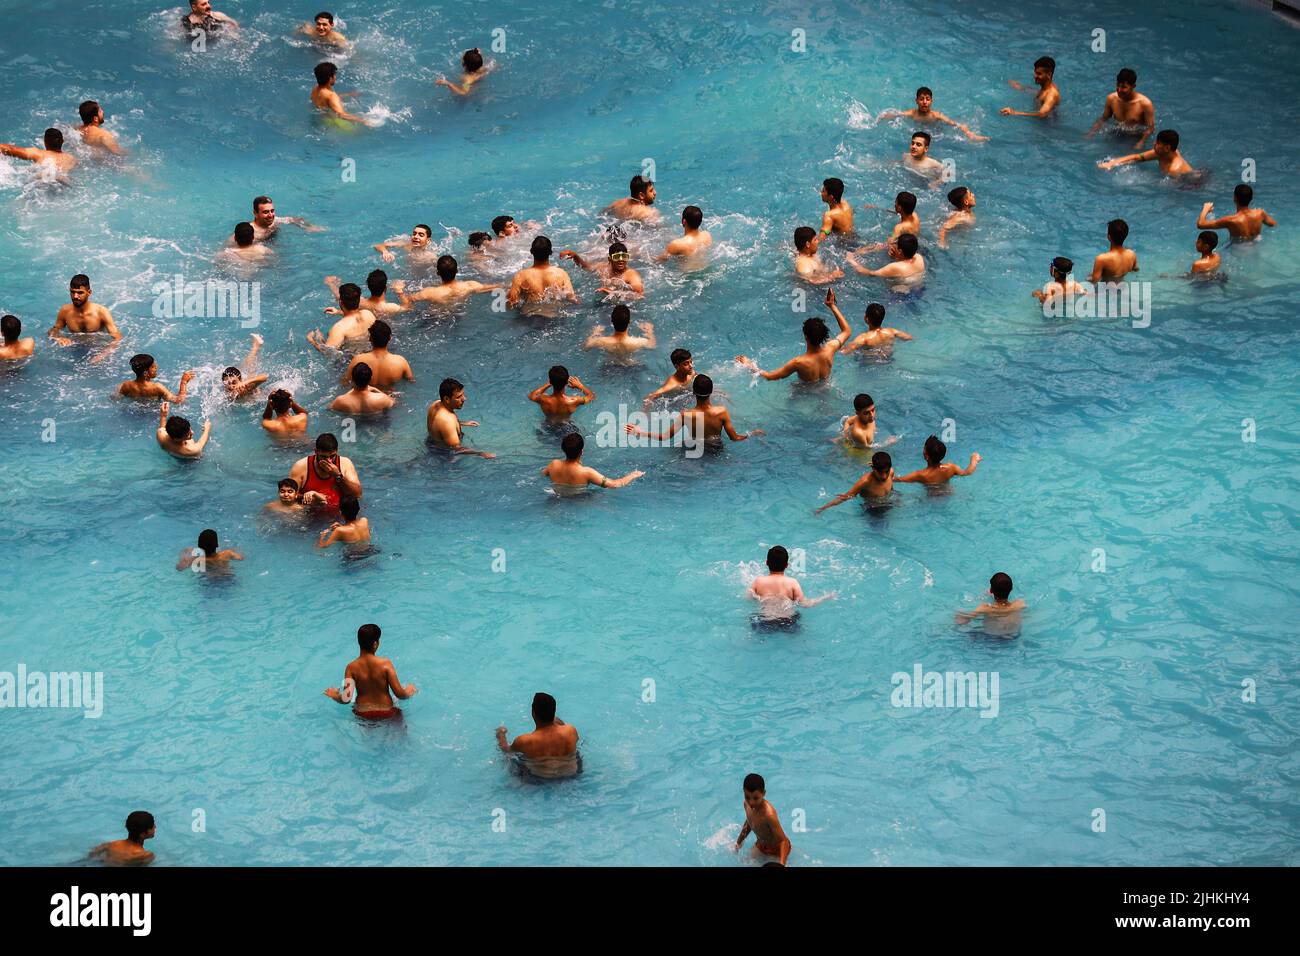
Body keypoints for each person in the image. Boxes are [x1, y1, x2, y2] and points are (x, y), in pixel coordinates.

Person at [736, 288, 851, 382]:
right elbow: (846, 331)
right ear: (823, 336)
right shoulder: (831, 348)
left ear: (805, 337)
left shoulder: (798, 362)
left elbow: (769, 376)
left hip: (803, 392)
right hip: (826, 387)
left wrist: (749, 365)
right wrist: (832, 306)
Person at [626, 373, 762, 449]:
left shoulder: (686, 414)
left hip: (693, 447)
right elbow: (734, 438)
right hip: (715, 449)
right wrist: (751, 434)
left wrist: (640, 432)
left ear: (694, 393)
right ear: (711, 391)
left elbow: (665, 437)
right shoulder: (722, 412)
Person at [324, 624, 417, 720]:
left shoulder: (351, 667)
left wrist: (334, 695)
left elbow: (346, 698)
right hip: (387, 711)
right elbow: (400, 694)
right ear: (375, 644)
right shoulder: (385, 664)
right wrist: (409, 691)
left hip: (362, 714)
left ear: (358, 642)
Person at [496, 692, 581, 779]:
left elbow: (506, 750)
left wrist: (500, 735)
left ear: (533, 713)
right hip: (571, 773)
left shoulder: (525, 741)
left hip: (540, 778)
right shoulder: (571, 730)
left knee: (512, 758)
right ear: (554, 711)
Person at [747, 546, 834, 625]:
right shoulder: (792, 582)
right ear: (787, 565)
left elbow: (748, 598)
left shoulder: (758, 581)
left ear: (766, 563)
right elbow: (805, 604)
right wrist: (825, 597)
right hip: (787, 620)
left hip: (765, 620)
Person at [49, 275, 120, 362]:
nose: (75, 296)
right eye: (72, 292)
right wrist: (59, 338)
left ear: (89, 292)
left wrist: (102, 355)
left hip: (97, 349)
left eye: (80, 293)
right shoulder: (65, 311)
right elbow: (53, 330)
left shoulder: (101, 312)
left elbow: (117, 337)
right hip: (74, 349)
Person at [541, 433, 644, 493]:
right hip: (579, 502)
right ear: (581, 451)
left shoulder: (553, 464)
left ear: (563, 450)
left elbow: (543, 474)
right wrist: (633, 475)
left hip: (556, 498)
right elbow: (614, 485)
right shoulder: (586, 472)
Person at [878, 86, 988, 142]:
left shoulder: (936, 115)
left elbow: (955, 124)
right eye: (921, 99)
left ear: (931, 101)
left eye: (927, 99)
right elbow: (896, 114)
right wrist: (882, 118)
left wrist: (969, 134)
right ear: (916, 101)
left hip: (937, 132)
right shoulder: (912, 113)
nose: (924, 102)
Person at [289, 433, 363, 508]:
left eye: (332, 456)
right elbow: (288, 496)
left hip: (339, 514)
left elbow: (358, 495)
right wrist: (313, 498)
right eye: (324, 457)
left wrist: (338, 476)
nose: (329, 461)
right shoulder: (301, 466)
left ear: (337, 451)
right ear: (316, 451)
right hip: (311, 514)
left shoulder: (345, 463)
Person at [1086, 68, 1155, 149]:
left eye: (1123, 87)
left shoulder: (1145, 104)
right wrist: (1091, 133)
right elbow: (1104, 119)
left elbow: (1150, 128)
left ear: (1133, 86)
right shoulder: (1111, 99)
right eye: (1117, 85)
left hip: (1135, 135)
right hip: (1117, 131)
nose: (1119, 90)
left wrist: (1141, 142)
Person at [506, 236, 579, 312]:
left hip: (529, 318)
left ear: (531, 251)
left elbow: (511, 303)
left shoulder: (521, 275)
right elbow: (572, 298)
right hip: (554, 317)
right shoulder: (561, 273)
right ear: (550, 253)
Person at [394, 255, 499, 306]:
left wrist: (399, 291)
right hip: (459, 316)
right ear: (457, 271)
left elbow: (407, 303)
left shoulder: (429, 292)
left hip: (437, 319)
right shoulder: (470, 285)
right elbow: (495, 287)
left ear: (437, 273)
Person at [427, 378, 494, 457]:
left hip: (431, 444)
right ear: (447, 399)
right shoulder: (447, 421)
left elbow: (440, 426)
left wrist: (462, 423)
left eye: (463, 395)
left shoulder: (436, 404)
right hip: (444, 456)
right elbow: (456, 449)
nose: (464, 399)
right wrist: (480, 453)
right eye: (459, 397)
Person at [735, 774, 792, 866]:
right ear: (743, 792)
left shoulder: (769, 815)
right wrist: (738, 843)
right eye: (747, 797)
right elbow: (750, 822)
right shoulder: (746, 804)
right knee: (745, 863)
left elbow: (784, 841)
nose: (751, 802)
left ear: (764, 793)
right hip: (761, 845)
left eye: (756, 798)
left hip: (777, 850)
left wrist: (782, 864)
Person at [815, 451, 895, 514]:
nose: (884, 476)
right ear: (873, 468)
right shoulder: (865, 482)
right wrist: (822, 508)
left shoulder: (891, 472)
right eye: (880, 472)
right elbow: (846, 497)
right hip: (873, 508)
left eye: (886, 472)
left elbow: (891, 488)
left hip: (888, 501)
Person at [341, 320, 413, 388]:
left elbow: (345, 383)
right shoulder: (400, 362)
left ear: (370, 339)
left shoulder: (357, 360)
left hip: (366, 399)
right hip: (389, 398)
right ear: (389, 338)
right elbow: (411, 382)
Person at [1097, 128, 1194, 178]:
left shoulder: (1174, 169)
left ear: (1167, 148)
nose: (1154, 143)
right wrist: (1111, 163)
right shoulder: (1161, 153)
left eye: (1158, 143)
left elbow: (1177, 190)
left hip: (1191, 184)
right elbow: (1136, 157)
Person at [560, 242, 644, 296]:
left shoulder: (631, 274)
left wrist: (613, 293)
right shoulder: (603, 267)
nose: (621, 260)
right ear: (609, 259)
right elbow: (586, 266)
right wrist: (575, 256)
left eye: (624, 257)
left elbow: (640, 293)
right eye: (617, 257)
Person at [1196, 185, 1277, 242]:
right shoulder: (1260, 213)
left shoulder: (1231, 220)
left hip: (1238, 249)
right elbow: (1273, 224)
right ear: (1251, 198)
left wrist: (1205, 209)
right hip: (1256, 244)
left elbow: (1201, 224)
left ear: (1234, 198)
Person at [308, 283, 376, 351]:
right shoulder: (368, 314)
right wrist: (338, 312)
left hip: (352, 358)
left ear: (340, 302)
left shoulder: (339, 328)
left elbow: (327, 352)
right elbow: (352, 316)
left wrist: (313, 341)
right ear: (358, 300)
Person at [845, 233, 925, 288]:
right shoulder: (919, 258)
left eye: (896, 245)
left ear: (900, 251)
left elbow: (870, 273)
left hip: (900, 294)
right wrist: (897, 256)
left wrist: (851, 260)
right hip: (918, 288)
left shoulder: (894, 267)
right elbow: (905, 262)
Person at [895, 435, 980, 486]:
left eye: (924, 449)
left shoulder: (921, 475)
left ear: (926, 456)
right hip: (948, 495)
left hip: (931, 500)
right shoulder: (950, 468)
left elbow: (900, 479)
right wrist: (974, 460)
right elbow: (967, 472)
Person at [311, 61, 373, 126]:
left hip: (321, 119)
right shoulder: (331, 96)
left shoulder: (315, 88)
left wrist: (349, 95)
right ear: (330, 78)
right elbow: (341, 115)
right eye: (334, 75)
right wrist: (363, 121)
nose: (335, 77)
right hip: (332, 122)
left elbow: (327, 101)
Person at [583, 304, 655, 360]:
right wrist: (649, 331)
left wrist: (595, 333)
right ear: (629, 322)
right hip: (631, 366)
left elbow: (586, 347)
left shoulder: (601, 341)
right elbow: (652, 346)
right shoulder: (638, 342)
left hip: (610, 367)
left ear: (612, 321)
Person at [840, 302, 913, 355]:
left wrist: (836, 343)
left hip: (869, 365)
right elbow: (909, 338)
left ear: (867, 319)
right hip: (888, 361)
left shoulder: (864, 338)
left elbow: (844, 352)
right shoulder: (892, 332)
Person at [955, 572, 1026, 625]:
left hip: (992, 638)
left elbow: (963, 622)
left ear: (991, 590)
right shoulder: (1019, 604)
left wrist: (958, 614)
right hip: (1013, 637)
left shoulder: (985, 608)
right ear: (1011, 589)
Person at [0, 128, 76, 178]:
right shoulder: (71, 159)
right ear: (62, 141)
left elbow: (10, 149)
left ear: (45, 142)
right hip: (63, 186)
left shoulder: (39, 154)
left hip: (42, 185)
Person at [88, 811, 155, 866]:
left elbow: (92, 854)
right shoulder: (145, 855)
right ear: (142, 834)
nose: (155, 826)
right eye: (152, 826)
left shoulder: (113, 844)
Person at [118, 354, 194, 402]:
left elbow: (115, 398)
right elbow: (178, 401)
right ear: (145, 373)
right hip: (152, 415)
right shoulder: (157, 387)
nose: (156, 367)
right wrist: (183, 382)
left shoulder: (126, 385)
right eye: (153, 366)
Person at [529, 365, 595, 420]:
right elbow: (591, 396)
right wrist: (580, 386)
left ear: (550, 381)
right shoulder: (574, 401)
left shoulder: (543, 399)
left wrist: (549, 383)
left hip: (548, 427)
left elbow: (531, 395)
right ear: (567, 382)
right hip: (566, 428)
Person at [330, 361, 395, 414]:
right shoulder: (382, 398)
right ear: (370, 379)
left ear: (352, 379)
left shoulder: (341, 401)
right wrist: (376, 389)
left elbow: (329, 408)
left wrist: (349, 392)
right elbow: (393, 402)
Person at [327, 270, 402, 315]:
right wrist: (399, 291)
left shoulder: (360, 302)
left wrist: (331, 284)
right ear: (385, 288)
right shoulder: (390, 307)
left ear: (368, 287)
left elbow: (340, 297)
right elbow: (408, 308)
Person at [248, 195, 321, 241]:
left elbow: (294, 219)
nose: (271, 215)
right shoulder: (250, 231)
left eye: (272, 211)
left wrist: (310, 226)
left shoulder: (275, 221)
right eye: (266, 212)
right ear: (255, 213)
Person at [221, 333, 267, 398]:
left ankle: (256, 345)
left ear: (240, 381)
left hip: (251, 389)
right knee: (246, 366)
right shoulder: (226, 395)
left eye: (234, 383)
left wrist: (246, 382)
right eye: (228, 383)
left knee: (250, 370)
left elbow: (264, 377)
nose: (231, 387)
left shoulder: (246, 387)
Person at [175, 528, 243, 571]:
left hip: (210, 583)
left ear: (200, 547)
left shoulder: (198, 560)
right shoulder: (227, 553)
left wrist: (183, 559)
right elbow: (240, 558)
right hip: (228, 578)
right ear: (217, 545)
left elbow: (179, 568)